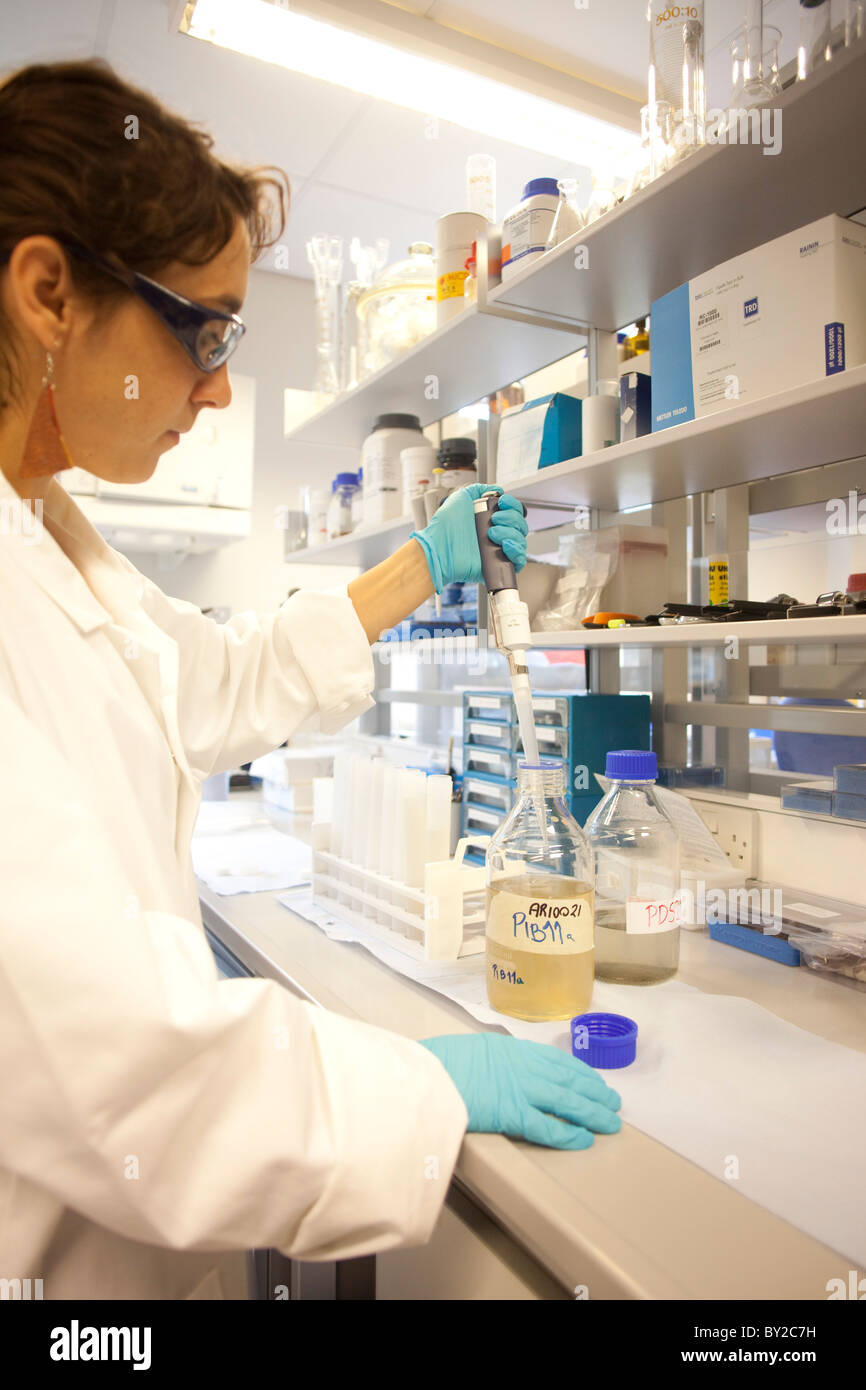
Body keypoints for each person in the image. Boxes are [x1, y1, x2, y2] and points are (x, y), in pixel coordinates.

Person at [0, 60, 621, 1301]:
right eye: (204, 328)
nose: (221, 385)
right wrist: (419, 1082)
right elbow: (121, 1061)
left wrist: (420, 563)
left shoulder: (46, 535)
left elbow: (217, 679)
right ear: (49, 291)